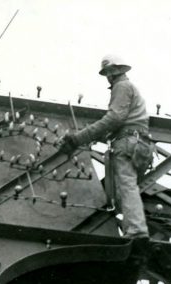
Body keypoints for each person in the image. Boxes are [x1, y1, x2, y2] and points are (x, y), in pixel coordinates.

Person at [58, 56, 155, 240]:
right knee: (126, 188)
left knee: (126, 185)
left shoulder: (122, 86)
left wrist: (78, 138)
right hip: (139, 143)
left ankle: (136, 230)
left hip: (128, 143)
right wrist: (95, 136)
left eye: (109, 72)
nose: (108, 76)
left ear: (114, 72)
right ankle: (133, 228)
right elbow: (121, 124)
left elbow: (114, 118)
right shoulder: (130, 88)